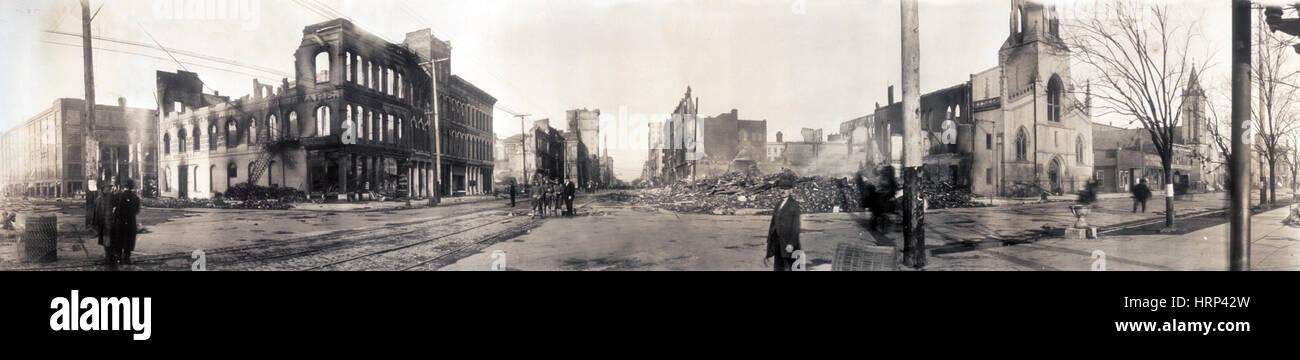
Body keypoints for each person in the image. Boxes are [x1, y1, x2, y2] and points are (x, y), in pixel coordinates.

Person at [765, 187, 802, 271]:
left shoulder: (794, 204)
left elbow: (796, 226)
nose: (783, 191)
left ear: (791, 190)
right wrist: (770, 243)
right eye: (781, 188)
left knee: (793, 267)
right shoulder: (778, 204)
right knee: (778, 267)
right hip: (778, 243)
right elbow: (773, 224)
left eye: (785, 188)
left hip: (788, 244)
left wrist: (791, 243)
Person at [111, 179, 141, 265]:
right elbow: (136, 211)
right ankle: (127, 258)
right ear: (132, 187)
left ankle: (119, 257)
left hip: (120, 222)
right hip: (131, 222)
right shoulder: (135, 198)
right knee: (129, 240)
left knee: (119, 240)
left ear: (124, 187)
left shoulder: (118, 195)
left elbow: (112, 206)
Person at [94, 183, 117, 265]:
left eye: (109, 188)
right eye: (107, 188)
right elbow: (96, 212)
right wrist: (96, 223)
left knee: (110, 241)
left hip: (110, 223)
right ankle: (109, 257)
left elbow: (116, 209)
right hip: (103, 224)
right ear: (103, 189)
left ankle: (111, 257)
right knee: (106, 241)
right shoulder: (99, 199)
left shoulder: (113, 198)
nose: (108, 190)